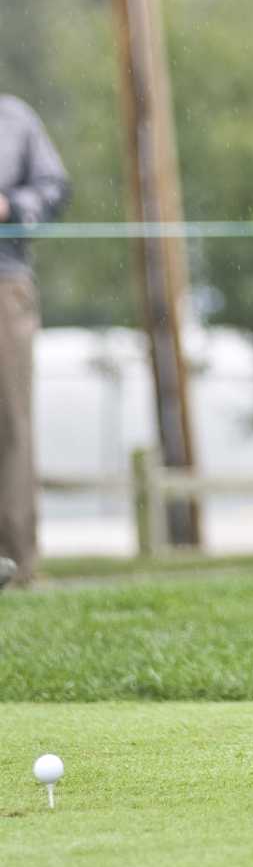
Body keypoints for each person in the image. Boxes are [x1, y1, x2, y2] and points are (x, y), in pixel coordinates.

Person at [0, 93, 70, 589]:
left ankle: (16, 566)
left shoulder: (15, 117)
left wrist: (9, 205)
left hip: (4, 283)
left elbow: (54, 189)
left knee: (9, 424)